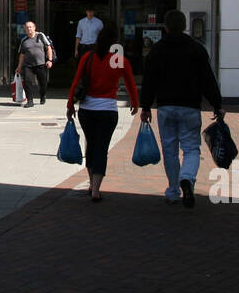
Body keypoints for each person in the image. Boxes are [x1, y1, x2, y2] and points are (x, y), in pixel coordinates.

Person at [139, 10, 224, 207]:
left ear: (166, 27)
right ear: (185, 25)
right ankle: (187, 177)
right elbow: (207, 80)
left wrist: (145, 106)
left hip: (166, 106)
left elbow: (149, 80)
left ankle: (173, 191)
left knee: (169, 149)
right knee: (191, 148)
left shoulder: (157, 50)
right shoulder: (197, 49)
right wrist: (217, 104)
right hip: (190, 106)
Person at [66, 26, 138, 202]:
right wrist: (135, 103)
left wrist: (70, 104)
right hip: (108, 111)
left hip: (87, 110)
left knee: (90, 146)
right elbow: (130, 83)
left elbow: (76, 81)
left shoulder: (87, 57)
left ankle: (91, 183)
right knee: (101, 148)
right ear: (115, 42)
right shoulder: (119, 60)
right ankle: (96, 189)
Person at [14, 20, 54, 108]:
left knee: (43, 83)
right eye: (27, 28)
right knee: (27, 82)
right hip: (28, 65)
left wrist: (50, 60)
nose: (29, 29)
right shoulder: (24, 40)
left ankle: (43, 96)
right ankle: (30, 101)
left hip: (41, 64)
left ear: (34, 28)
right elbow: (22, 54)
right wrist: (19, 66)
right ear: (25, 29)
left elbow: (48, 48)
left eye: (30, 27)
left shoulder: (40, 36)